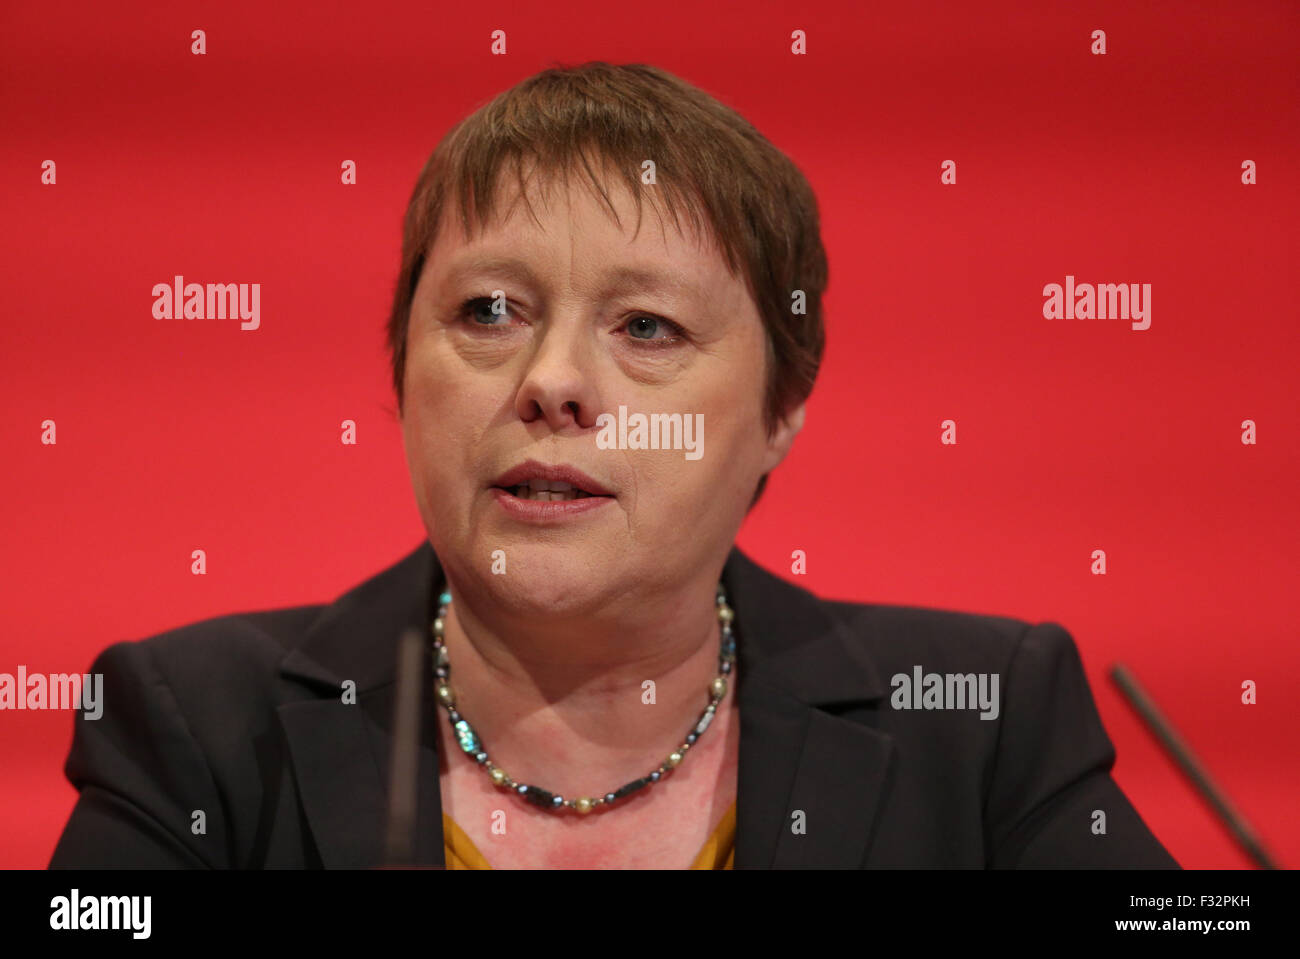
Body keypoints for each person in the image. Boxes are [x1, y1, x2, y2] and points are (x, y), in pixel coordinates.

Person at [49, 61, 1177, 869]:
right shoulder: (193, 728)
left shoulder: (977, 725)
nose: (552, 380)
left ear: (781, 409)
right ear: (399, 372)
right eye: (488, 310)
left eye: (646, 327)